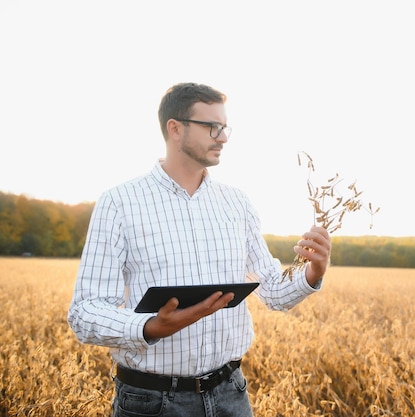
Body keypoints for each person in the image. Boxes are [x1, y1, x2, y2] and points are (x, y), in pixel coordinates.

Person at [67, 82, 331, 417]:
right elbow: (85, 312)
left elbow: (274, 293)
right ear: (174, 128)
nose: (222, 137)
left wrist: (312, 272)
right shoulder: (120, 202)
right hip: (153, 402)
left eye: (224, 128)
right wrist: (150, 327)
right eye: (212, 127)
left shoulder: (237, 202)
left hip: (231, 395)